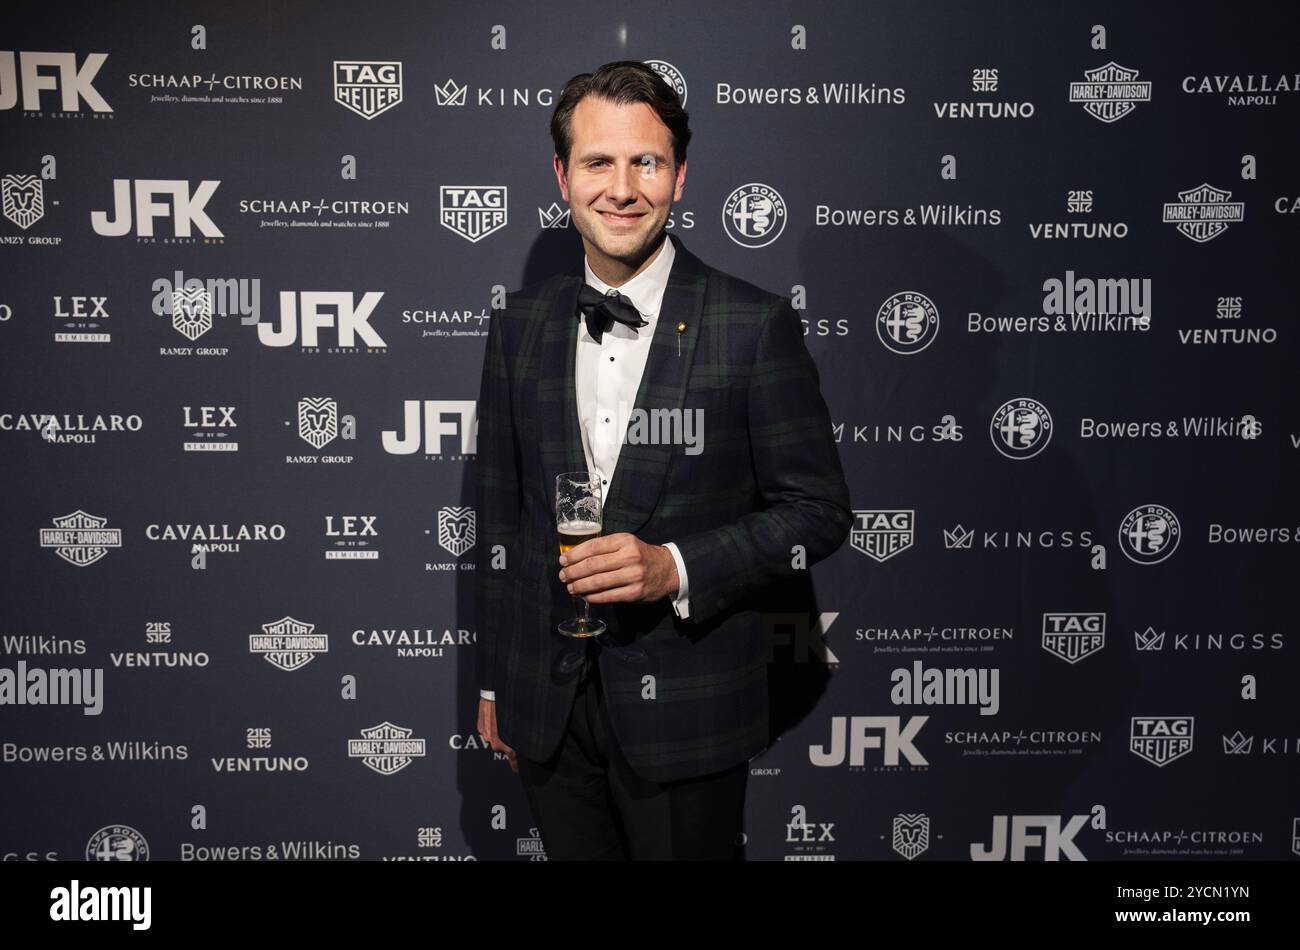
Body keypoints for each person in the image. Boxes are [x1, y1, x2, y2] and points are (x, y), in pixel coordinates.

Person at [474, 60, 851, 860]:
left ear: (679, 177)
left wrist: (673, 566)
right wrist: (491, 680)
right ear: (561, 176)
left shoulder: (752, 324)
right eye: (597, 163)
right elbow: (500, 514)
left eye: (645, 162)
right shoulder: (520, 323)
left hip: (688, 707)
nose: (621, 187)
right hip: (545, 703)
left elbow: (817, 512)